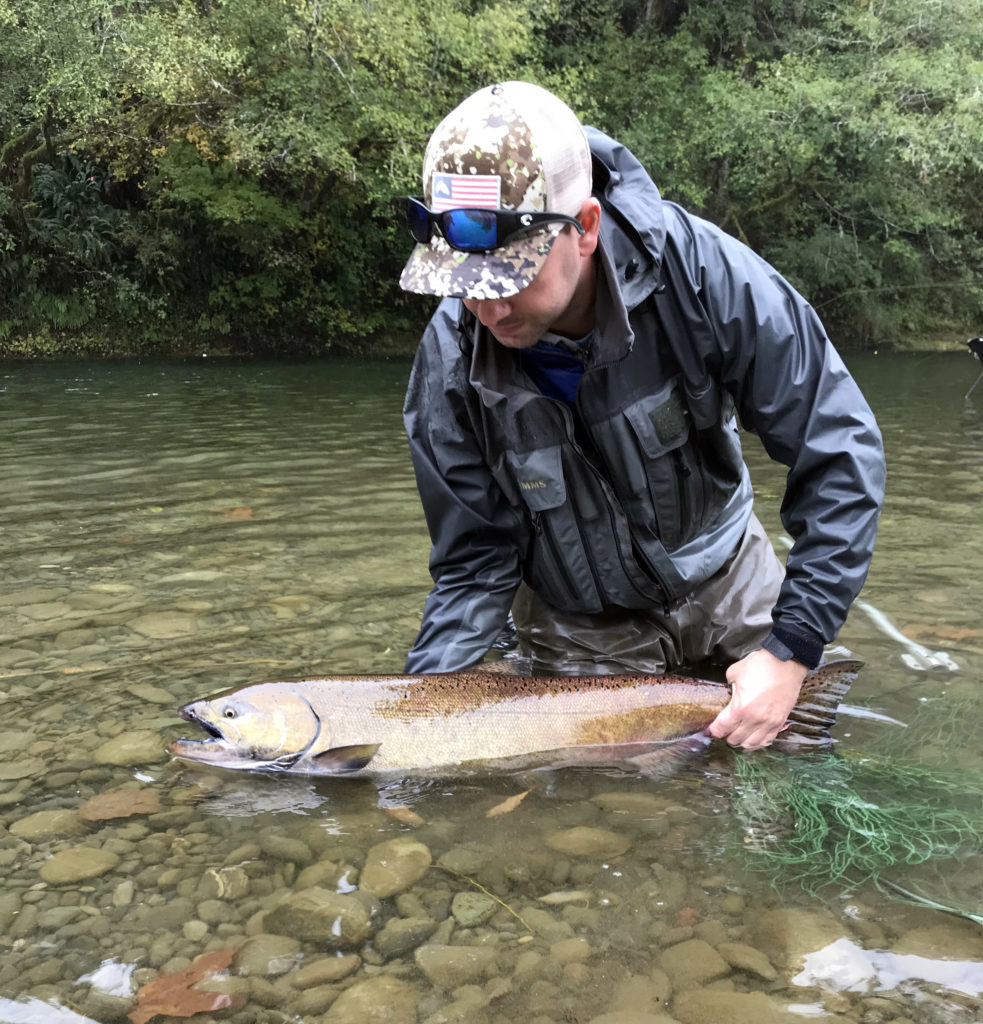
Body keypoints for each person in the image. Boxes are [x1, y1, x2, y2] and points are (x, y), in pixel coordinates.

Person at [397, 81, 885, 750]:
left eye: (511, 275)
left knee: (800, 747)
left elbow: (837, 451)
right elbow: (472, 563)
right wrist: (414, 721)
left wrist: (793, 647)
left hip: (727, 574)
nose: (487, 306)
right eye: (463, 279)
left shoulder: (705, 278)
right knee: (612, 795)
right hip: (580, 621)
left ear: (585, 227)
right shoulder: (449, 360)